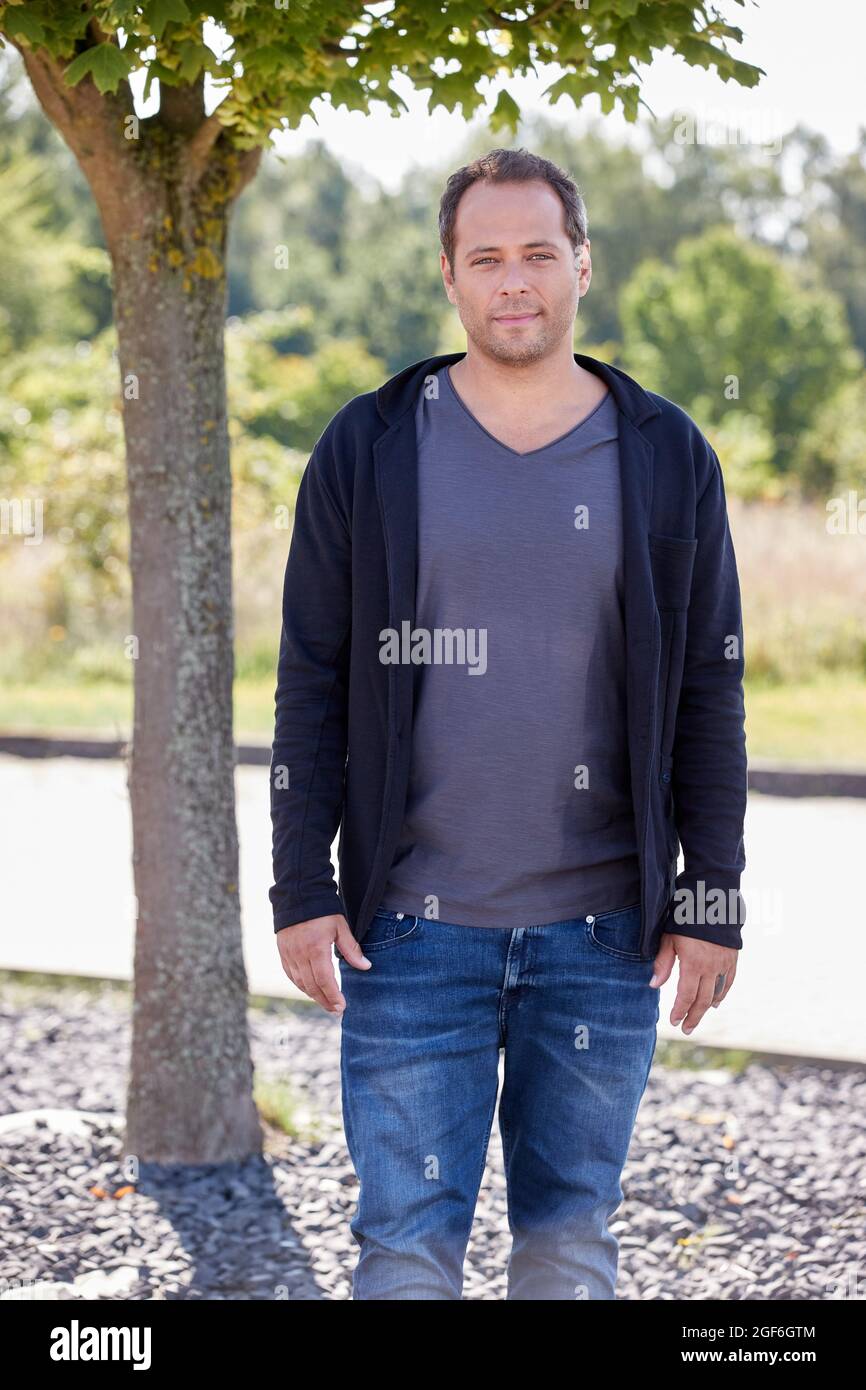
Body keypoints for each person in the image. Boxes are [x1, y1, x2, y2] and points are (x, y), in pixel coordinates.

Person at [270, 147, 747, 1300]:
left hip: (600, 935)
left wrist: (710, 892)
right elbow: (313, 674)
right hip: (407, 934)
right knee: (400, 1252)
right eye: (485, 257)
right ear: (448, 275)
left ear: (581, 264)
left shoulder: (663, 452)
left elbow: (707, 687)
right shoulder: (372, 444)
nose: (514, 279)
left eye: (538, 252)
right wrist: (300, 886)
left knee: (569, 1250)